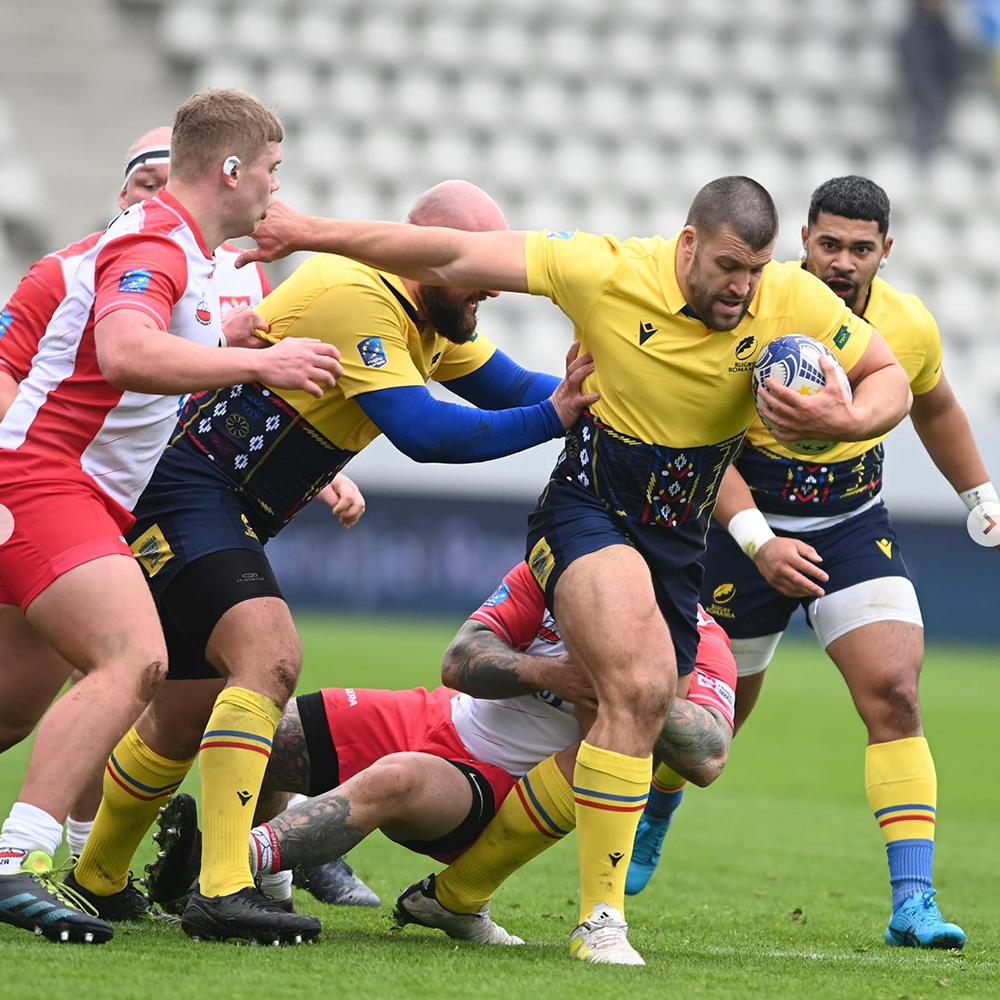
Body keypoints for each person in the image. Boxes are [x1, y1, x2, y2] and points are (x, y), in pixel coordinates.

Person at [233, 175, 912, 963]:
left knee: (636, 700)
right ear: (688, 244)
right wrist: (310, 229)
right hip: (585, 511)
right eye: (729, 266)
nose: (743, 287)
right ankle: (600, 921)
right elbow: (451, 249)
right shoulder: (606, 269)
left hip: (678, 542)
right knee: (639, 679)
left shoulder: (790, 300)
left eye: (756, 270)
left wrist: (848, 416)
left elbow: (888, 372)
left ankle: (459, 895)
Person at [63, 179, 598, 945]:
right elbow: (426, 433)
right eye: (471, 266)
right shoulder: (359, 293)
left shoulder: (432, 314)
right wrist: (558, 416)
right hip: (188, 488)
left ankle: (99, 879)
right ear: (428, 255)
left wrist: (608, 405)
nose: (487, 286)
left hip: (220, 505)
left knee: (183, 713)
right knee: (269, 656)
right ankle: (223, 889)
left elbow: (506, 386)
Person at [0, 88, 342, 946]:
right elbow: (123, 349)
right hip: (46, 478)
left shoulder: (181, 249)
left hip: (60, 487)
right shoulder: (158, 240)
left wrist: (238, 356)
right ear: (230, 170)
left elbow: (147, 345)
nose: (273, 188)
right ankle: (20, 859)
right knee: (134, 656)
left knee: (10, 708)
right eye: (269, 169)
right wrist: (257, 370)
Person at [144, 558, 737, 946]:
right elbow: (458, 662)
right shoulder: (554, 577)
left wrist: (636, 687)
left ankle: (215, 862)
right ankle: (272, 884)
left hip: (497, 786)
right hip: (433, 713)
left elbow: (709, 756)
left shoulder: (703, 641)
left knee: (394, 780)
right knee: (272, 734)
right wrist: (552, 672)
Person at [700, 176, 991, 949]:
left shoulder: (908, 327)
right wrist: (759, 541)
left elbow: (934, 405)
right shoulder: (760, 308)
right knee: (707, 733)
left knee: (895, 691)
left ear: (885, 252)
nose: (843, 261)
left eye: (861, 248)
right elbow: (702, 442)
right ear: (803, 241)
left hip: (852, 524)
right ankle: (657, 812)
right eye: (828, 244)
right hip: (746, 530)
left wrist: (979, 495)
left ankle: (914, 901)